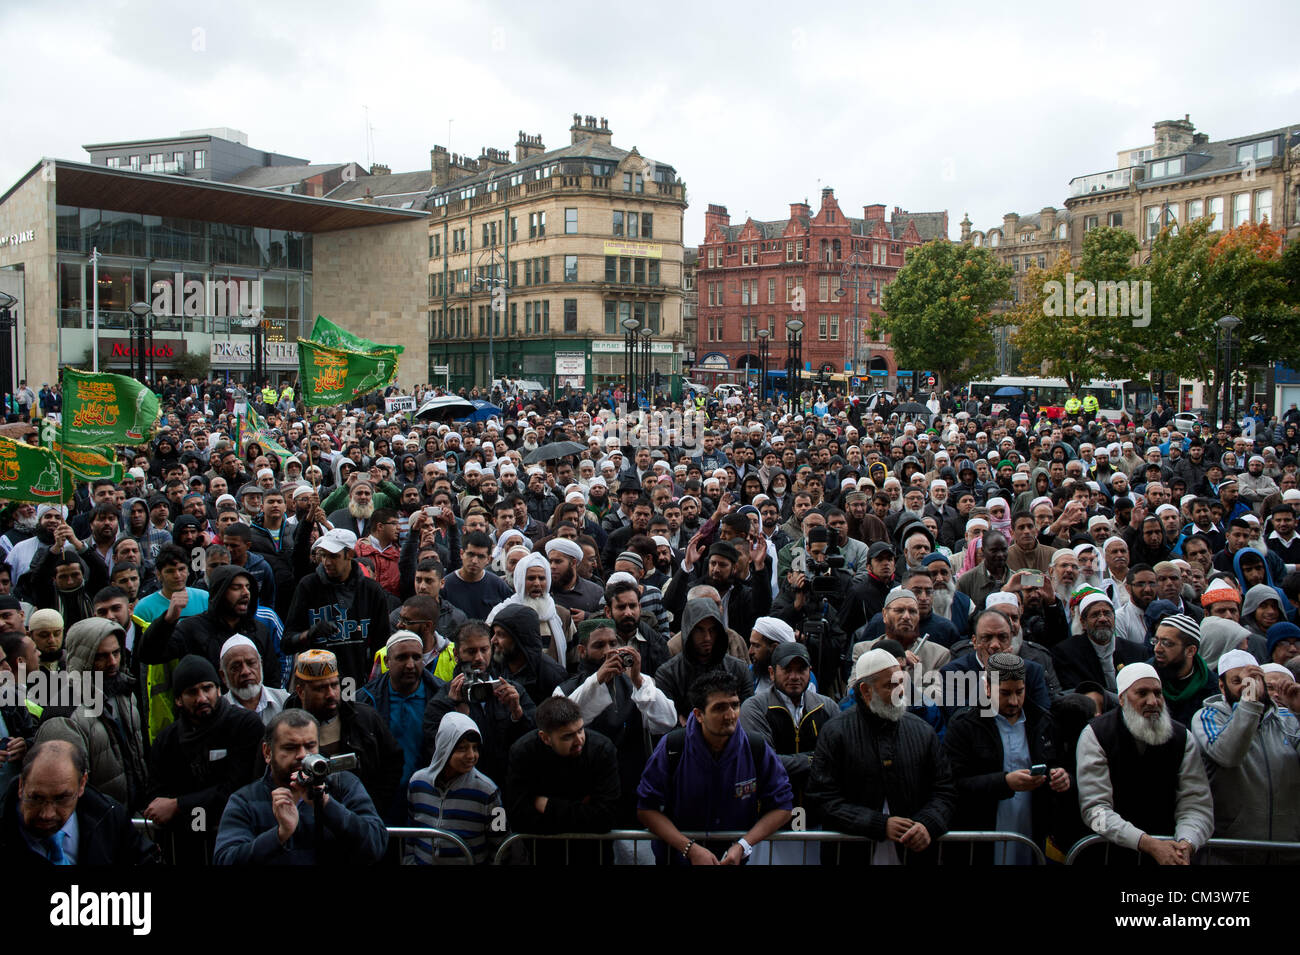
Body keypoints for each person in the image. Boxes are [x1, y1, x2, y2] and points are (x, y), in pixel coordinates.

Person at [806, 648, 956, 865]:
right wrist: (879, 825)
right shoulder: (836, 732)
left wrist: (927, 824)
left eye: (900, 683)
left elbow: (945, 790)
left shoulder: (922, 731)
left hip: (912, 854)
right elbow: (821, 799)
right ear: (866, 691)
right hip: (852, 854)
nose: (900, 692)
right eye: (890, 686)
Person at [637, 671, 794, 865]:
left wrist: (743, 845)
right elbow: (646, 809)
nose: (730, 715)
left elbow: (783, 806)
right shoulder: (672, 748)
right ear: (699, 714)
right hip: (676, 860)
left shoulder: (756, 748)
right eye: (719, 708)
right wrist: (689, 849)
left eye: (735, 705)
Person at [1075, 663, 1214, 864]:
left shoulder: (1182, 738)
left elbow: (1197, 805)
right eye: (1142, 693)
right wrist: (1148, 844)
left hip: (1170, 855)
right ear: (1122, 699)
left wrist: (1186, 842)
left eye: (1158, 693)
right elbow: (1096, 812)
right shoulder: (1096, 735)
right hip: (1110, 855)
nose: (1153, 701)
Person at [213, 709, 388, 865]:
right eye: (290, 748)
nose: (302, 755)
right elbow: (225, 859)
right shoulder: (245, 800)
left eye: (310, 746)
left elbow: (375, 845)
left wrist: (326, 804)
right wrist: (279, 835)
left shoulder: (343, 785)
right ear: (267, 752)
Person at [942, 653, 1070, 863]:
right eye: (1005, 693)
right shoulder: (965, 725)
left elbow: (1059, 763)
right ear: (988, 688)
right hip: (984, 833)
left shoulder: (1042, 721)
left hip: (1032, 828)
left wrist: (1061, 776)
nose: (1013, 701)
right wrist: (1004, 782)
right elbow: (953, 783)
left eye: (1019, 692)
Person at [557, 618, 676, 834]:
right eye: (599, 646)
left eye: (613, 644)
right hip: (587, 797)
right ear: (582, 651)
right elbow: (562, 720)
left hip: (632, 790)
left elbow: (667, 720)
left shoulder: (639, 682)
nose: (609, 651)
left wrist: (638, 680)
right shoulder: (566, 690)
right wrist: (598, 679)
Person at [143, 654, 264, 864]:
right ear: (179, 699)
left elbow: (240, 788)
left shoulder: (245, 725)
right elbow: (157, 799)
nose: (202, 698)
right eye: (192, 692)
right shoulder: (167, 740)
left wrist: (179, 805)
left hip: (238, 839)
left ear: (218, 689)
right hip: (185, 847)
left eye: (207, 688)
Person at [1190, 649, 1300, 849]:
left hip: (1287, 848)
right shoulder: (1208, 717)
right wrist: (1249, 702)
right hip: (1232, 849)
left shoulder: (1286, 719)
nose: (1247, 685)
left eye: (1254, 679)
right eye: (1238, 681)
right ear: (1222, 687)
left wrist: (1299, 713)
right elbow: (1227, 755)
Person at [35, 618, 148, 810]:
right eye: (101, 656)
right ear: (83, 658)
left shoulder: (124, 693)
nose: (112, 662)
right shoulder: (64, 717)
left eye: (116, 653)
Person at [284, 649, 404, 823]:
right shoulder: (282, 729)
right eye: (321, 688)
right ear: (301, 691)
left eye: (334, 685)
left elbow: (393, 762)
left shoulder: (365, 719)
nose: (331, 694)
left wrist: (373, 806)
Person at [0, 740, 157, 865]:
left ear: (82, 784)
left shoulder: (109, 817)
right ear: (21, 785)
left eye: (61, 798)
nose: (47, 814)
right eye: (36, 798)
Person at [505, 696, 621, 864]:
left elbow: (606, 817)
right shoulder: (523, 752)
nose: (579, 740)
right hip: (544, 855)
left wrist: (548, 806)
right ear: (545, 738)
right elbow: (519, 818)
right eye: (567, 737)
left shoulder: (601, 749)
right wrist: (582, 810)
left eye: (581, 730)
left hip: (593, 855)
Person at [421, 621, 536, 786]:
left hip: (507, 787)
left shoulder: (512, 691)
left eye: (484, 650)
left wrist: (518, 714)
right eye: (471, 651)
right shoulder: (442, 702)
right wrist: (454, 712)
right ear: (456, 653)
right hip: (463, 790)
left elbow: (533, 742)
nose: (479, 658)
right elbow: (435, 754)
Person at [282, 528, 392, 688]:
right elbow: (286, 643)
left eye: (333, 556)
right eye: (323, 555)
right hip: (317, 684)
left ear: (350, 554)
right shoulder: (308, 586)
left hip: (360, 685)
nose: (326, 562)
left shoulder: (371, 591)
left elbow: (382, 646)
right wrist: (310, 633)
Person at [357, 631, 445, 821]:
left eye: (416, 657)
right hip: (381, 803)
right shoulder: (364, 701)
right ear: (387, 661)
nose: (410, 665)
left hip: (428, 799)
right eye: (402, 657)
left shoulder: (442, 696)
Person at [405, 712, 502, 865]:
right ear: (445, 748)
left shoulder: (488, 791)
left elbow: (501, 842)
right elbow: (411, 832)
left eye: (475, 748)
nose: (471, 755)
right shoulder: (417, 783)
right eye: (462, 748)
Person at [654, 597, 754, 721]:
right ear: (688, 630)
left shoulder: (738, 669)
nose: (707, 637)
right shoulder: (668, 674)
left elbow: (746, 717)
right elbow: (667, 721)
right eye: (699, 630)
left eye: (712, 630)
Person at [1051, 593, 1147, 692]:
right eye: (1095, 615)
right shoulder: (1067, 653)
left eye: (1107, 613)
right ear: (1083, 622)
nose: (1103, 619)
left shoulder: (1137, 652)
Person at [1149, 614, 1215, 726]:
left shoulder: (1212, 688)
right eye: (1156, 641)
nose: (1157, 649)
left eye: (1167, 643)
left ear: (1190, 651)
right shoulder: (1146, 677)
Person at [220, 634, 288, 723]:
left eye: (251, 663)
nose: (246, 671)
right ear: (223, 676)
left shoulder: (284, 701)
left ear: (261, 665)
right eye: (236, 667)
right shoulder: (218, 712)